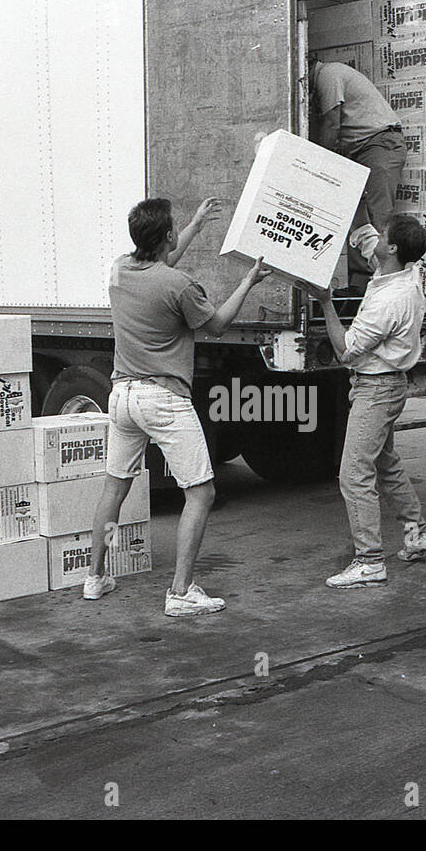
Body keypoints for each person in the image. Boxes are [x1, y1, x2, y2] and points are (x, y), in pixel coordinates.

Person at [85, 197, 270, 617]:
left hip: (122, 399)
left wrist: (196, 226)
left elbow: (161, 265)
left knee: (115, 488)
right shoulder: (179, 286)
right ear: (166, 235)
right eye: (175, 230)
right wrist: (249, 281)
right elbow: (218, 325)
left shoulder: (119, 270)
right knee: (201, 493)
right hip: (163, 399)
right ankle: (181, 591)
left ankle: (95, 576)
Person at [305, 213, 426, 588]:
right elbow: (372, 250)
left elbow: (346, 351)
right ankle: (417, 535)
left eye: (382, 237)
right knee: (386, 464)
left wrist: (326, 302)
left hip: (376, 389)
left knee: (353, 475)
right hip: (388, 385)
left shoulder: (390, 301)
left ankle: (369, 561)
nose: (375, 239)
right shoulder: (405, 273)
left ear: (392, 248)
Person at [310, 57, 406, 296]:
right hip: (362, 149)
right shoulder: (328, 77)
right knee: (355, 214)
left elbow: (332, 123)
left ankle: (387, 286)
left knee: (378, 216)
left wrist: (318, 165)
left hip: (378, 144)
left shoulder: (328, 75)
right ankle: (361, 286)